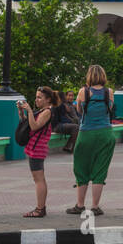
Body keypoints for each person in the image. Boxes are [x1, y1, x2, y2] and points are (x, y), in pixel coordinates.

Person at [68, 65, 116, 216]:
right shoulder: (109, 92)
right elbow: (110, 109)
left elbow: (79, 111)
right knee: (100, 170)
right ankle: (95, 206)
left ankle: (80, 205)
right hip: (105, 134)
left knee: (81, 168)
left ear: (89, 76)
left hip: (86, 134)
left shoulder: (83, 91)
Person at [18, 87, 56, 218]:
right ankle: (41, 208)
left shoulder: (47, 112)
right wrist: (22, 111)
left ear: (48, 99)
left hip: (38, 149)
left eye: (40, 97)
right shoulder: (42, 110)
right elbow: (27, 123)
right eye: (36, 96)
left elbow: (34, 126)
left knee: (39, 180)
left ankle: (40, 209)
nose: (37, 99)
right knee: (38, 179)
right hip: (34, 148)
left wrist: (29, 110)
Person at [52, 89, 80, 153]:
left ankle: (68, 146)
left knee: (76, 128)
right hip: (57, 126)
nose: (66, 98)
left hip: (59, 125)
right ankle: (72, 148)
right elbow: (63, 119)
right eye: (65, 96)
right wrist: (71, 121)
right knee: (76, 127)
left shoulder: (62, 105)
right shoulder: (59, 105)